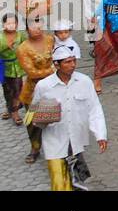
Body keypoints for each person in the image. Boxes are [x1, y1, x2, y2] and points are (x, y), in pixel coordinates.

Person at [32, 42, 107, 191]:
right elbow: (33, 113)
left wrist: (100, 134)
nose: (72, 65)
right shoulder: (44, 86)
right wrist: (43, 118)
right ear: (56, 65)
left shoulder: (84, 81)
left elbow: (94, 109)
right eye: (67, 62)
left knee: (77, 180)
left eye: (74, 61)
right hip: (54, 140)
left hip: (76, 140)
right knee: (59, 184)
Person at [16, 15, 55, 164]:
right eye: (33, 26)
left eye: (40, 25)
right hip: (33, 91)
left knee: (55, 119)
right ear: (27, 29)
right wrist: (53, 70)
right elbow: (31, 72)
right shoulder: (23, 48)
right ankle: (35, 148)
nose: (37, 29)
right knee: (33, 123)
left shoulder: (51, 39)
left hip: (53, 88)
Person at [0, 12, 25, 124]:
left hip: (18, 68)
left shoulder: (20, 35)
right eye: (8, 23)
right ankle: (9, 108)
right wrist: (6, 46)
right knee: (7, 90)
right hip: (5, 68)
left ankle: (15, 113)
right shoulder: (0, 37)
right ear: (3, 24)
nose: (11, 25)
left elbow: (26, 47)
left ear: (17, 24)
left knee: (17, 90)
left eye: (13, 23)